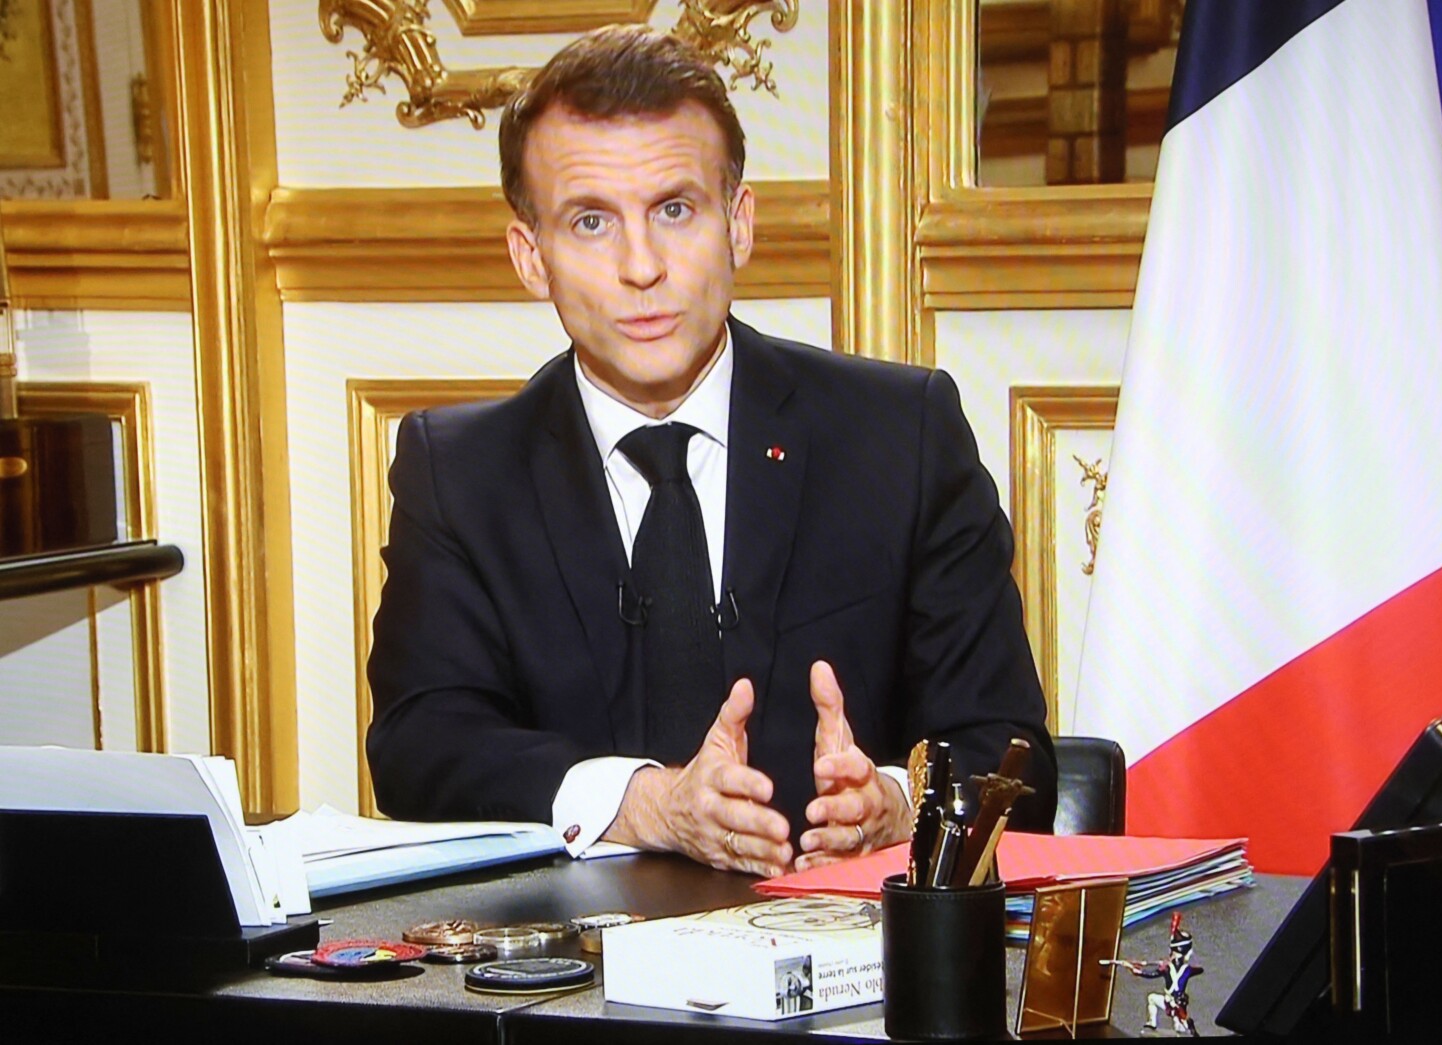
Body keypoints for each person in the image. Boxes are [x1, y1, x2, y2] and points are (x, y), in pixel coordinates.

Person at [366, 24, 1056, 879]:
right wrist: (646, 802)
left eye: (675, 209)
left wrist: (895, 801)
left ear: (739, 224)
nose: (641, 265)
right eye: (590, 222)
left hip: (846, 968)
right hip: (570, 983)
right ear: (529, 256)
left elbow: (1015, 750)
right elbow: (419, 744)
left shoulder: (900, 433)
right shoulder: (459, 470)